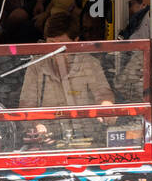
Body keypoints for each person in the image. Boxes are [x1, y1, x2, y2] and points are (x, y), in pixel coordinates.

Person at [17, 12, 116, 146]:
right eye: (51, 43)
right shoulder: (36, 66)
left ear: (75, 41)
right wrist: (37, 125)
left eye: (62, 44)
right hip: (48, 141)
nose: (56, 50)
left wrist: (106, 110)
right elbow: (27, 106)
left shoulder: (90, 63)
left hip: (87, 138)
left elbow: (103, 95)